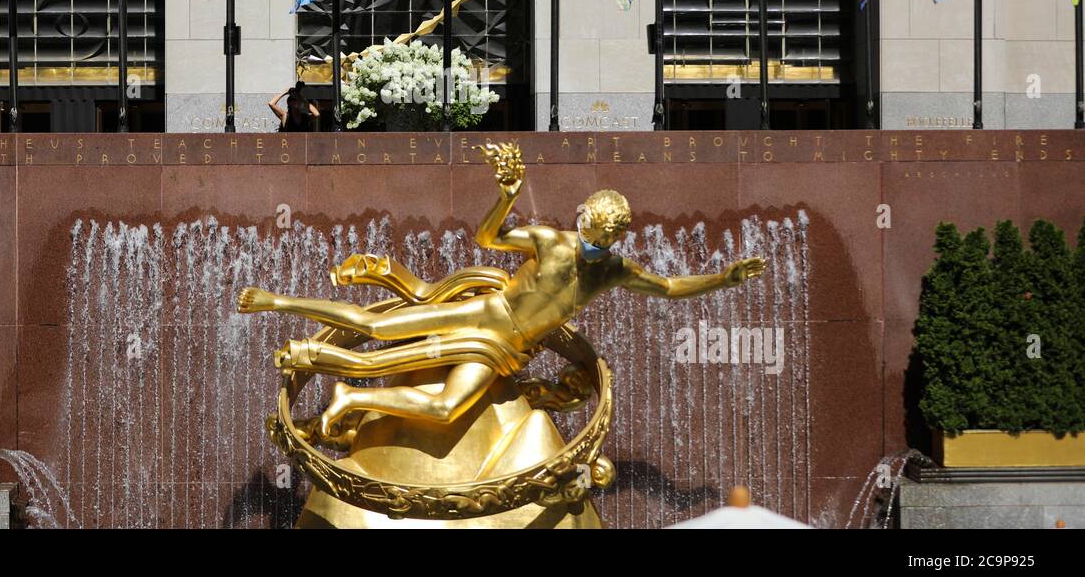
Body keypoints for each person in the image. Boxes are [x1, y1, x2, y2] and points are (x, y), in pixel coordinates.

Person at [238, 141, 765, 437]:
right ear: (584, 220)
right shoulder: (551, 241)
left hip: (507, 351)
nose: (595, 236)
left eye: (606, 232)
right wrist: (505, 196)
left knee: (447, 408)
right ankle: (278, 301)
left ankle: (350, 397)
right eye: (593, 226)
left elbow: (671, 286)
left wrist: (723, 278)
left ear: (615, 234)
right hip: (484, 313)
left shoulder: (615, 271)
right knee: (377, 326)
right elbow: (488, 236)